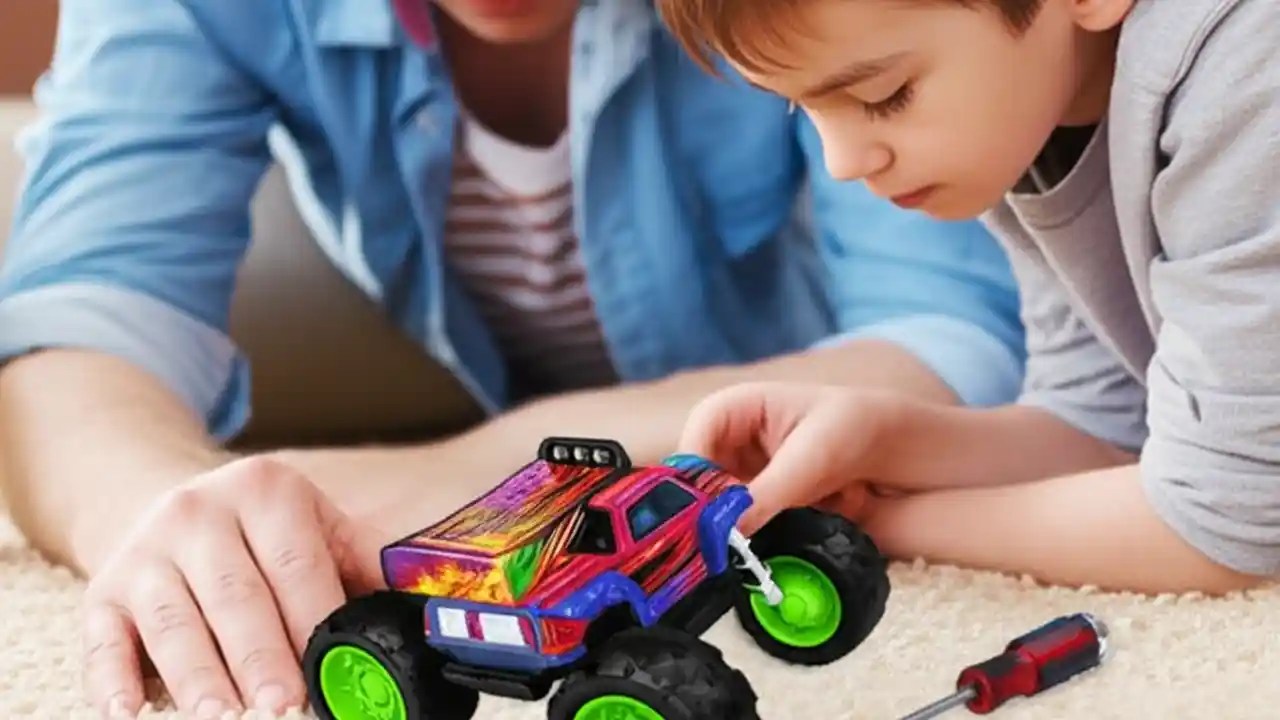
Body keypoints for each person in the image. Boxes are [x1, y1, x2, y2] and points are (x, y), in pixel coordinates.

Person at [0, 0, 1026, 716]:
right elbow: (78, 322)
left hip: (703, 401)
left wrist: (443, 481)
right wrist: (166, 512)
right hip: (371, 321)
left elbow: (950, 345)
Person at [658, 0, 1280, 597]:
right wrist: (880, 442)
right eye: (803, 105)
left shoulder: (1249, 60)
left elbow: (1232, 518)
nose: (842, 162)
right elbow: (1109, 424)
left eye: (884, 96)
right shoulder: (1034, 107)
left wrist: (876, 524)